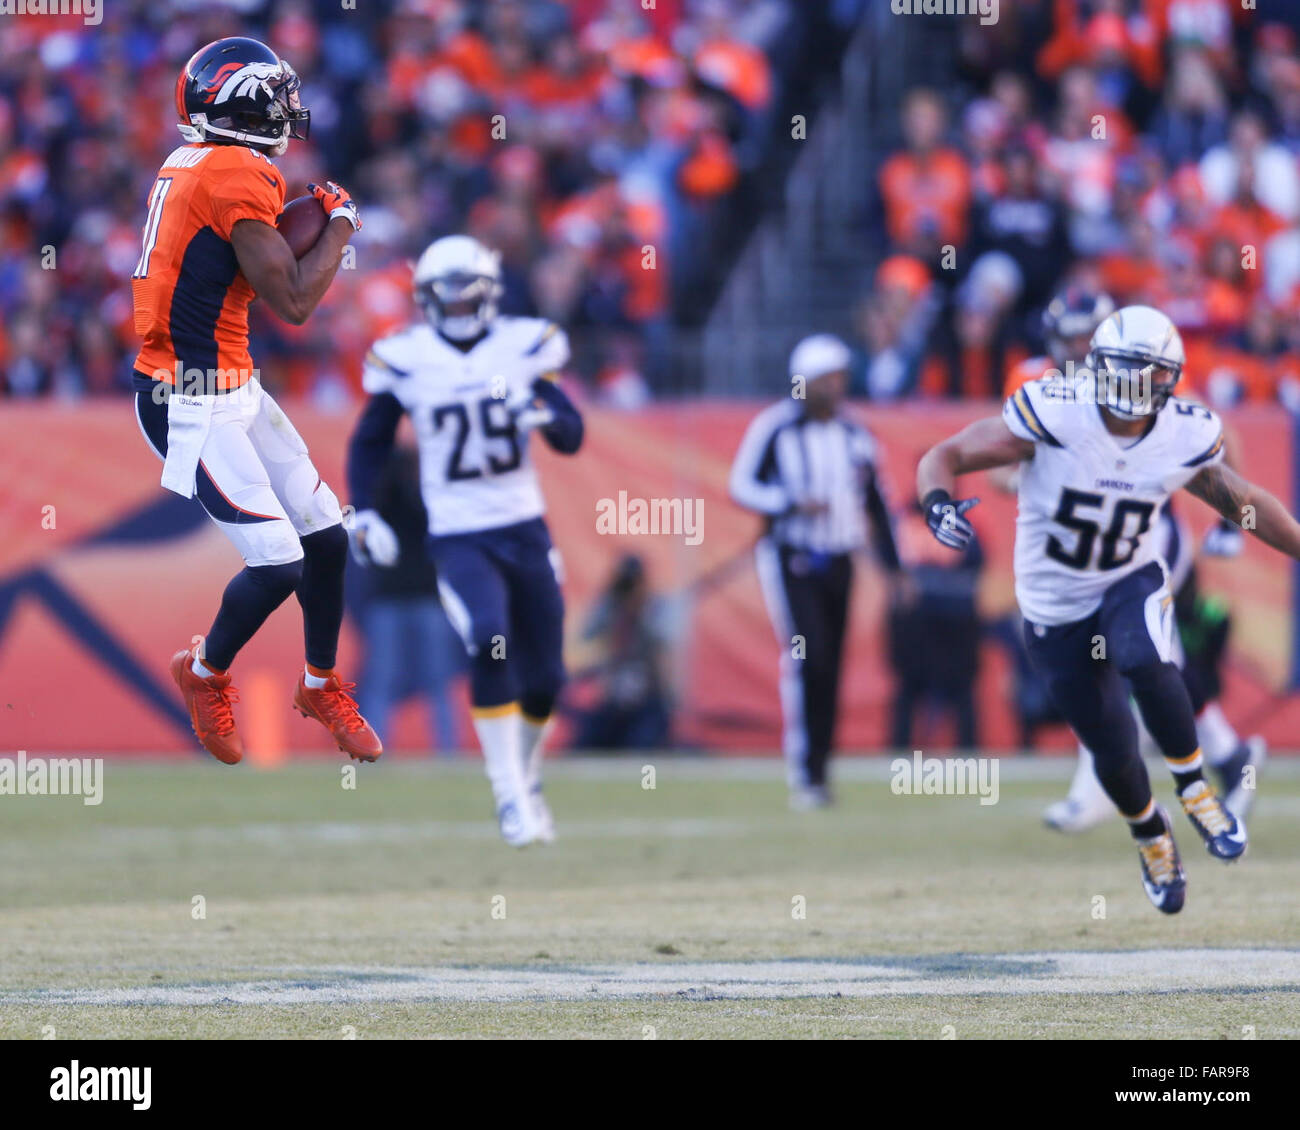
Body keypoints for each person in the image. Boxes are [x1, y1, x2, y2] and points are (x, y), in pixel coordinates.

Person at [917, 304, 1300, 915]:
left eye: (1146, 373)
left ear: (1167, 379)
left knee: (1145, 660)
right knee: (1112, 747)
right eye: (1123, 369)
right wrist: (937, 503)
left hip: (1128, 575)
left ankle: (1197, 789)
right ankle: (1151, 834)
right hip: (1053, 601)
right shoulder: (1056, 408)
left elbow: (1244, 500)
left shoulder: (1180, 431)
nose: (1132, 385)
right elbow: (948, 453)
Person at [131, 37, 379, 766]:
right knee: (278, 563)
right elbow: (295, 301)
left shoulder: (196, 161)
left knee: (327, 538)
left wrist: (305, 222)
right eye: (276, 95)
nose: (289, 109)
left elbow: (240, 264)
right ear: (241, 102)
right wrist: (340, 222)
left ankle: (320, 683)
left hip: (233, 382)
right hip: (187, 397)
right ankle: (203, 673)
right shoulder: (237, 172)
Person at [347, 235, 583, 847]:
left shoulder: (523, 344)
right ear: (426, 300)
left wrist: (548, 418)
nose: (455, 309)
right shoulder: (407, 356)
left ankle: (524, 778)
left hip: (524, 528)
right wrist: (365, 511)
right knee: (489, 638)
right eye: (444, 299)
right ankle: (507, 792)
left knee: (547, 678)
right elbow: (371, 440)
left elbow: (572, 433)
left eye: (466, 297)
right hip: (457, 535)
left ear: (489, 295)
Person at [730, 334, 901, 809]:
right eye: (827, 379)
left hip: (841, 558)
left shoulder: (854, 434)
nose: (837, 387)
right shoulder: (776, 427)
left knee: (833, 663)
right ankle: (804, 769)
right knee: (809, 655)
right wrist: (787, 501)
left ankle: (821, 770)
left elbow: (877, 502)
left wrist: (894, 566)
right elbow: (741, 483)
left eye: (840, 377)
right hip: (793, 556)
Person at [353, 444, 467, 754]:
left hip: (425, 599)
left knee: (438, 680)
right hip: (390, 600)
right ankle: (374, 749)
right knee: (381, 680)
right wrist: (395, 475)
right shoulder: (383, 500)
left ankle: (448, 751)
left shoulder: (433, 500)